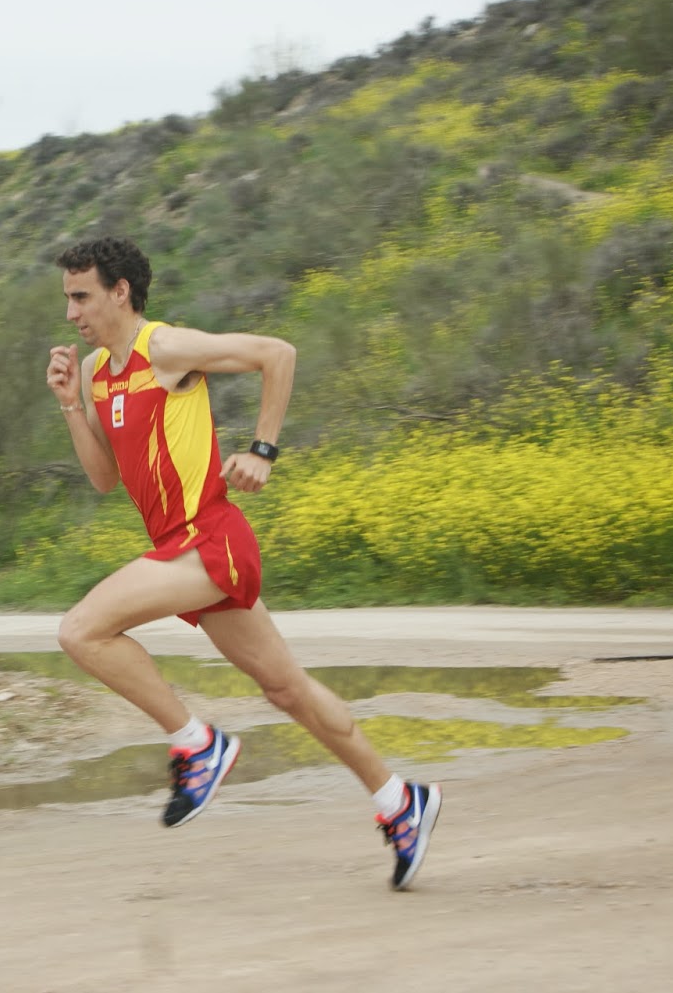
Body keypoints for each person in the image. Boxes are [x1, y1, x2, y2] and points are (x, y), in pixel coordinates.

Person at [43, 236, 442, 891]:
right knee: (288, 690)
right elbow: (104, 479)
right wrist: (68, 402)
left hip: (209, 539)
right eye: (67, 298)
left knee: (81, 630)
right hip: (182, 549)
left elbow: (276, 355)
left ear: (120, 291)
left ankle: (197, 742)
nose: (71, 313)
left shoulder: (165, 348)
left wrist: (263, 449)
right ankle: (400, 800)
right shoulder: (94, 372)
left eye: (81, 295)